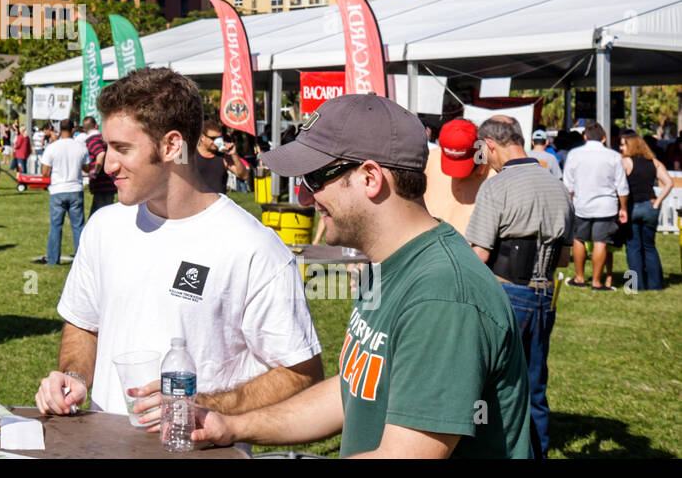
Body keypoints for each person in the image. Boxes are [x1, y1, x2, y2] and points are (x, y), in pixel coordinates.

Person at [191, 93, 531, 458]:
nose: (306, 199)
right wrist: (231, 426)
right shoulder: (383, 266)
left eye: (314, 179)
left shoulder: (442, 296)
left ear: (370, 177)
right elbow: (352, 390)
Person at [35, 68, 324, 425]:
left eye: (122, 149)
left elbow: (302, 374)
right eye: (107, 147)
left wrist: (202, 406)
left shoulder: (253, 248)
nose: (108, 164)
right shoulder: (104, 227)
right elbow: (84, 324)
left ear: (172, 146)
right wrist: (75, 377)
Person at [465, 115, 574, 459]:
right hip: (545, 295)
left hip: (507, 294)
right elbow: (565, 260)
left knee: (494, 387)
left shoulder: (497, 186)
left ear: (491, 146)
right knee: (535, 387)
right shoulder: (555, 183)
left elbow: (479, 254)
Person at [563, 122, 629, 291]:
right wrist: (623, 208)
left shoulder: (574, 154)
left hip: (581, 204)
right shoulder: (613, 156)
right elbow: (621, 185)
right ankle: (597, 282)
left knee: (579, 239)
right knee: (601, 241)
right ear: (604, 137)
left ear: (585, 137)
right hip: (606, 206)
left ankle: (579, 277)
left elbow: (568, 184)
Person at [422, 117, 491, 235]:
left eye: (463, 160)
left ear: (478, 147)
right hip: (430, 244)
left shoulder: (492, 175)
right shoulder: (430, 160)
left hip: (466, 250)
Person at [619, 130, 669, 291]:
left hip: (633, 207)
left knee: (633, 247)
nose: (620, 148)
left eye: (622, 144)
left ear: (630, 145)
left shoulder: (626, 162)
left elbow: (620, 185)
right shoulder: (654, 162)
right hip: (650, 206)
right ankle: (656, 285)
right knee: (649, 246)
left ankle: (635, 285)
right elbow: (668, 183)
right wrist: (658, 202)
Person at [36, 120, 89, 266]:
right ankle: (81, 260)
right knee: (78, 226)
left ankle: (53, 259)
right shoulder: (80, 147)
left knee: (55, 226)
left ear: (59, 129)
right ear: (73, 129)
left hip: (58, 190)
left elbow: (45, 173)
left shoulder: (52, 147)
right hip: (75, 189)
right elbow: (87, 167)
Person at [193, 122, 250, 196]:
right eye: (213, 138)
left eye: (219, 138)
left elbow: (244, 176)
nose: (216, 142)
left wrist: (234, 154)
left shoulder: (224, 156)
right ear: (202, 137)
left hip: (218, 204)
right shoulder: (191, 155)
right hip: (196, 204)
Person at [80, 116, 116, 215]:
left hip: (101, 183)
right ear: (96, 126)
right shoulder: (103, 139)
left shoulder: (91, 140)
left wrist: (95, 171)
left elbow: (101, 154)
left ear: (84, 129)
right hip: (110, 180)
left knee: (101, 213)